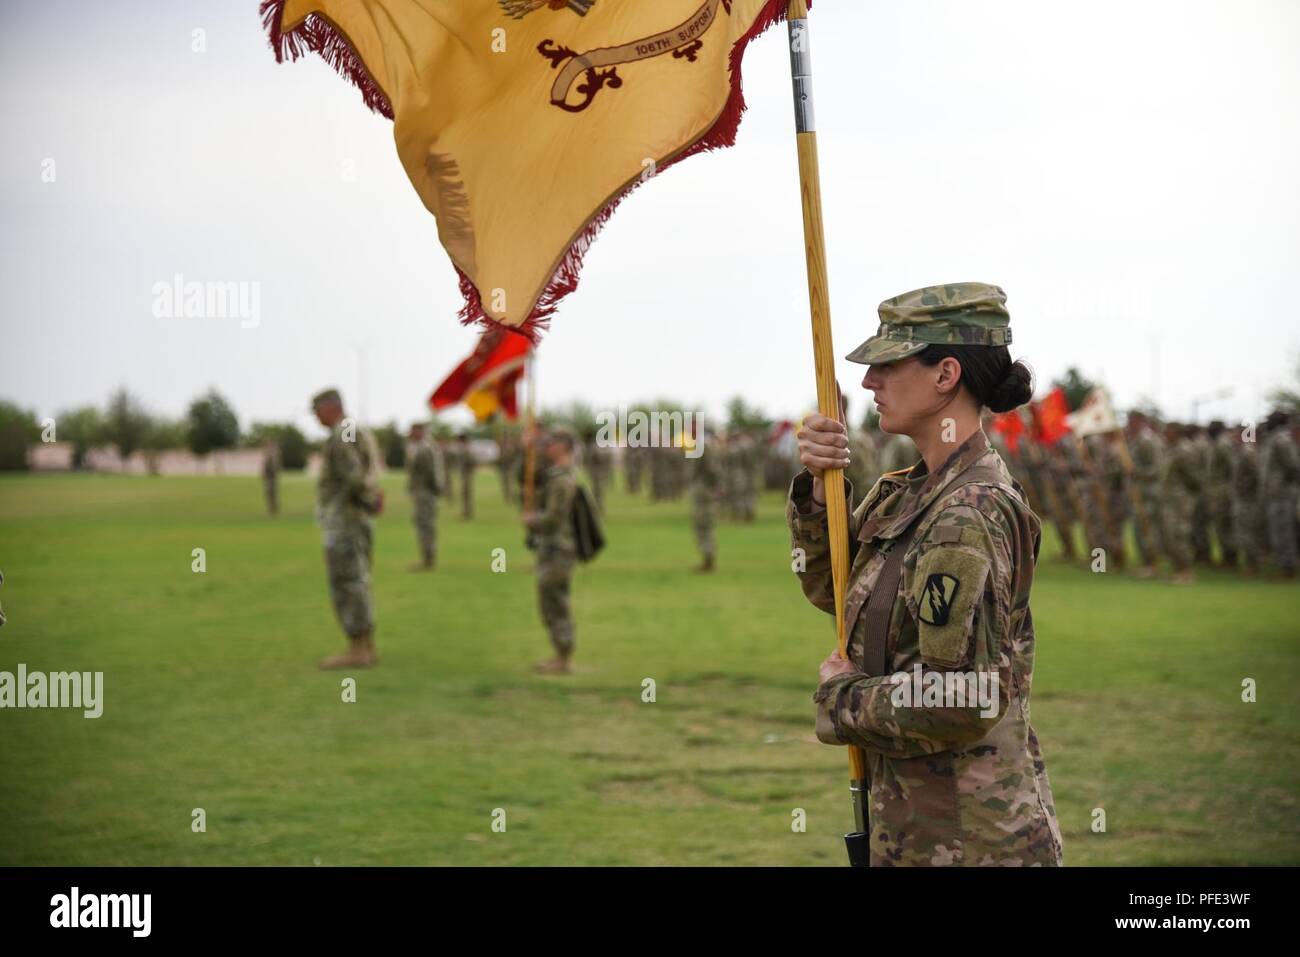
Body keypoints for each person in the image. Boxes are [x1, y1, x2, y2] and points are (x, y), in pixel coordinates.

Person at [790, 282, 1063, 866]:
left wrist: (843, 698)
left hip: (970, 840)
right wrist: (819, 489)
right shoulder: (913, 493)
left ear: (945, 374)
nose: (869, 382)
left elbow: (966, 698)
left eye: (888, 365)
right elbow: (838, 593)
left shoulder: (968, 512)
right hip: (920, 826)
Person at [312, 388, 383, 669]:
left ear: (330, 407)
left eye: (316, 410)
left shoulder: (343, 433)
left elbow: (353, 476)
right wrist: (369, 501)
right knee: (357, 580)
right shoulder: (353, 429)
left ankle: (358, 648)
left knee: (347, 582)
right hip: (356, 517)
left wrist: (365, 500)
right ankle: (365, 645)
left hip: (345, 519)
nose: (315, 417)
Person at [525, 429, 581, 674]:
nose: (546, 446)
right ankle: (559, 654)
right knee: (548, 600)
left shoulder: (562, 479)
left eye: (551, 443)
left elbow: (554, 517)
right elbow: (528, 474)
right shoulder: (556, 474)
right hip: (552, 547)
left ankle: (563, 657)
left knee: (555, 601)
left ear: (563, 446)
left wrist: (533, 520)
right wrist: (529, 448)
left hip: (559, 548)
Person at [1262, 411, 1299, 579]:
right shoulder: (1273, 439)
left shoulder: (1282, 440)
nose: (1267, 423)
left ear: (1278, 422)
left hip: (1282, 493)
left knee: (1284, 532)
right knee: (1277, 531)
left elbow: (1292, 466)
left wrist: (1285, 485)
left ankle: (1288, 568)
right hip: (1274, 493)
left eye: (1270, 420)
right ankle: (1283, 565)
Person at [405, 422, 446, 571]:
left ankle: (428, 559)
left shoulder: (426, 448)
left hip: (426, 492)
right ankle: (427, 557)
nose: (410, 433)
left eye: (412, 430)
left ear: (419, 431)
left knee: (426, 525)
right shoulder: (418, 447)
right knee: (422, 524)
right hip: (421, 491)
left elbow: (432, 472)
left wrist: (434, 490)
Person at [689, 429, 725, 572]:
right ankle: (707, 559)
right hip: (705, 490)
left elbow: (711, 469)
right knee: (703, 524)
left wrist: (715, 485)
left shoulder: (703, 447)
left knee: (703, 525)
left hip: (703, 491)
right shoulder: (708, 445)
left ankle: (708, 560)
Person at [261, 438, 281, 517]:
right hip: (268, 478)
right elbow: (265, 466)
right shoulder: (267, 454)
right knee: (268, 495)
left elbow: (275, 467)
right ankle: (271, 510)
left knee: (273, 495)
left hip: (272, 478)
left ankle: (273, 511)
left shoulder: (273, 454)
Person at [457, 433, 475, 519]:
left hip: (466, 475)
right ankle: (466, 511)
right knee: (464, 494)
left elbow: (471, 462)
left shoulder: (466, 450)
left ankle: (467, 513)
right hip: (464, 474)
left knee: (466, 494)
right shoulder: (464, 449)